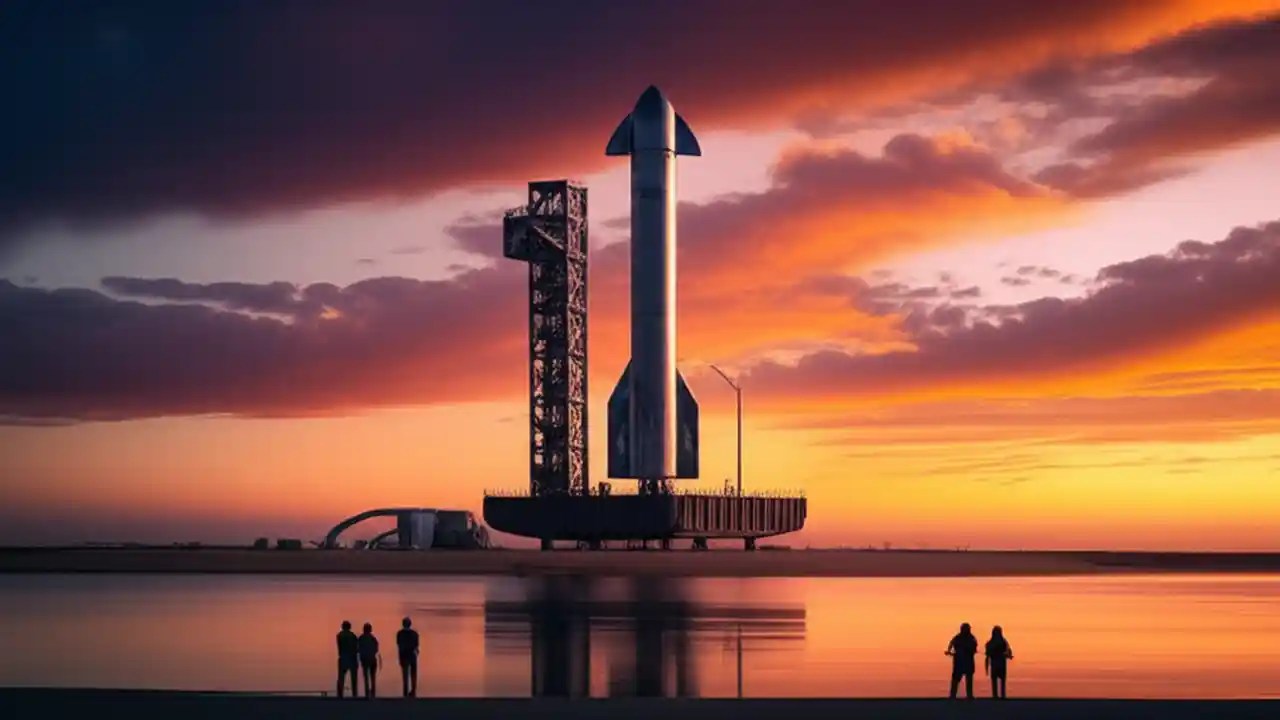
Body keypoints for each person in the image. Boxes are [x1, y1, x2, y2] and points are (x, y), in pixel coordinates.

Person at [945, 622, 978, 699]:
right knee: (957, 679)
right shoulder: (959, 637)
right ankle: (953, 695)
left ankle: (968, 695)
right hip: (960, 661)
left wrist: (950, 651)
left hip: (966, 661)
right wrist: (949, 650)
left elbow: (974, 647)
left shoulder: (970, 638)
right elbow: (951, 644)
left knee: (967, 678)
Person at [985, 625, 1014, 699]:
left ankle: (1001, 695)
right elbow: (987, 655)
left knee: (1001, 681)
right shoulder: (992, 642)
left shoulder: (1002, 642)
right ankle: (997, 695)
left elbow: (1008, 650)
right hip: (996, 664)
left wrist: (1009, 655)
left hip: (1000, 664)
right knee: (995, 681)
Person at [396, 616, 420, 697]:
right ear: (410, 624)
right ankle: (413, 691)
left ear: (403, 624)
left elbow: (399, 646)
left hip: (404, 655)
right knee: (413, 674)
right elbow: (417, 646)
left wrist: (399, 657)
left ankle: (405, 692)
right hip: (412, 655)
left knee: (405, 675)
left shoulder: (400, 634)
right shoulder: (414, 633)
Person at [335, 620, 359, 698]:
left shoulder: (339, 635)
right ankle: (354, 694)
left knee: (341, 678)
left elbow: (339, 647)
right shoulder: (353, 635)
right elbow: (356, 647)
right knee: (354, 678)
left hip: (343, 657)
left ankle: (340, 694)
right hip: (352, 658)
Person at [358, 622, 381, 698]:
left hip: (365, 660)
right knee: (372, 677)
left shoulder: (361, 638)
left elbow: (358, 649)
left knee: (366, 677)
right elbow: (376, 649)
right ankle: (373, 692)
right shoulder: (373, 639)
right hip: (372, 659)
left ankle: (367, 692)